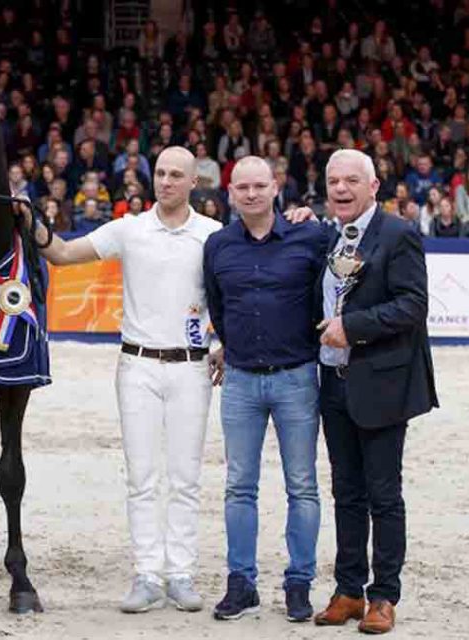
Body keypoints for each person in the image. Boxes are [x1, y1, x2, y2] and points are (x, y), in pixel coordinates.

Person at [27, 147, 221, 614]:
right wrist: (29, 220)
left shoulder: (213, 236)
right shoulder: (129, 229)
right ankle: (148, 574)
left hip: (192, 366)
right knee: (141, 477)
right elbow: (63, 254)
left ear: (194, 182)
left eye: (176, 175)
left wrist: (228, 343)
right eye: (161, 173)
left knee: (185, 477)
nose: (166, 182)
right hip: (137, 365)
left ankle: (181, 573)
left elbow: (237, 291)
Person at [313, 149, 438, 634]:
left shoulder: (398, 233)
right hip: (333, 383)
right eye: (333, 181)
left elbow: (413, 305)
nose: (341, 189)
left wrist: (353, 327)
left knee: (384, 495)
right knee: (346, 492)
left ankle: (383, 596)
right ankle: (348, 590)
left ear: (373, 186)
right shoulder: (328, 236)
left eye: (351, 180)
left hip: (381, 382)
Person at [203, 157, 329, 622]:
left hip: (297, 377)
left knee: (303, 486)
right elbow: (218, 306)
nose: (252, 194)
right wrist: (228, 345)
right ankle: (242, 583)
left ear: (276, 187)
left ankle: (299, 583)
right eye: (243, 187)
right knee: (239, 487)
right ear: (231, 192)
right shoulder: (218, 245)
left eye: (260, 185)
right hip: (239, 380)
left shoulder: (310, 236)